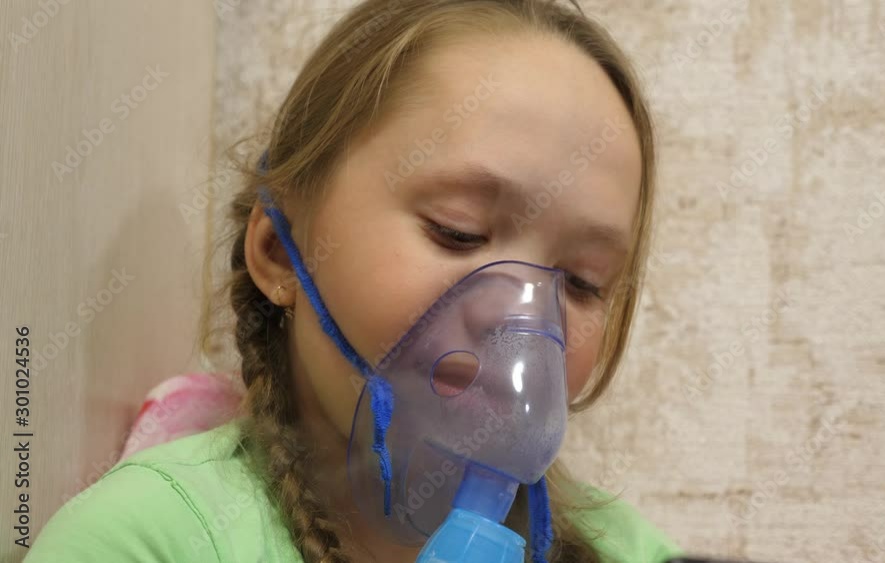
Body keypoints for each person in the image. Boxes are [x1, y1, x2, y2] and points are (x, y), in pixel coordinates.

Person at [24, 0, 681, 562]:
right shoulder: (147, 541)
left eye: (582, 281)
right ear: (280, 251)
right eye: (457, 230)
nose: (519, 316)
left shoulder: (627, 548)